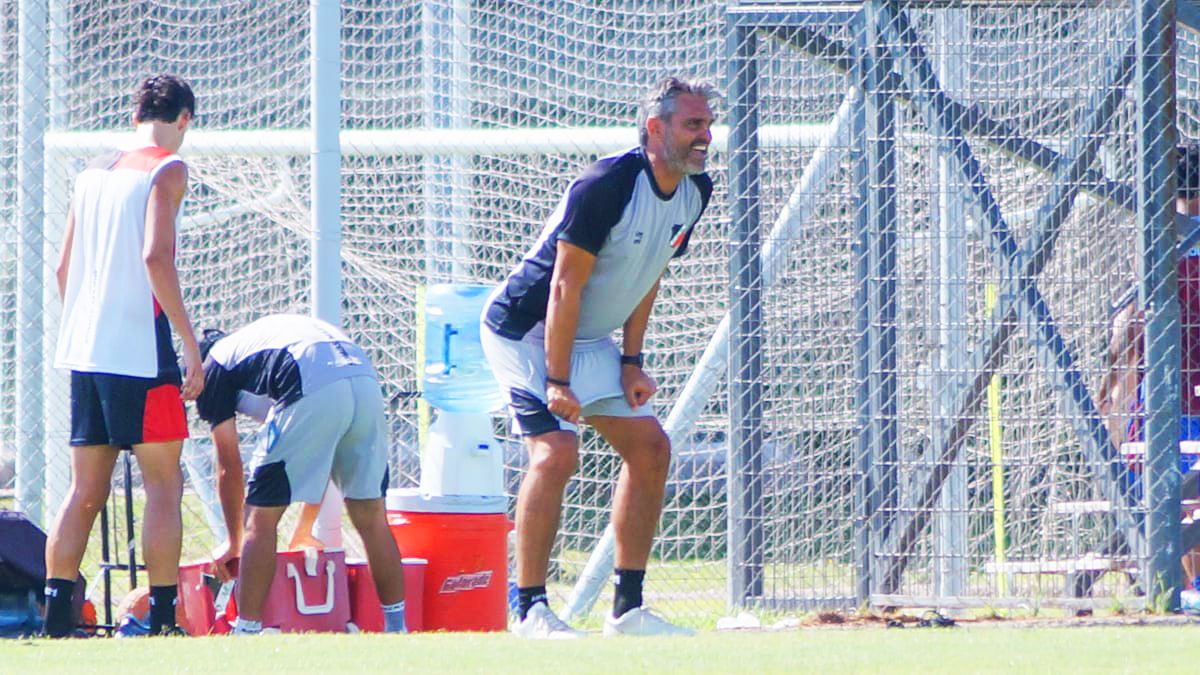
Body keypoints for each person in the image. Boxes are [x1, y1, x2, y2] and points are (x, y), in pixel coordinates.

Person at [480, 76, 716, 638]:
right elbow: (563, 287)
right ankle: (528, 610)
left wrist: (632, 361)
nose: (706, 137)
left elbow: (649, 272)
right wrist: (557, 380)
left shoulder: (696, 189)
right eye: (693, 125)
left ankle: (627, 612)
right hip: (527, 332)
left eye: (708, 125)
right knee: (557, 451)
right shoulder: (606, 184)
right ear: (655, 128)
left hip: (588, 338)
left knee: (651, 448)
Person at [46, 74, 203, 637]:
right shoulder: (168, 166)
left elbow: (64, 268)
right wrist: (188, 343)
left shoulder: (94, 170)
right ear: (183, 119)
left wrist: (94, 326)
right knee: (164, 483)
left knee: (85, 489)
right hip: (142, 352)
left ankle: (56, 619)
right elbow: (156, 257)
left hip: (87, 350)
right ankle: (163, 620)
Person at [194, 314, 408, 634]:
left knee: (260, 520)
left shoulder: (212, 368)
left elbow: (228, 466)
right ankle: (397, 629)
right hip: (363, 378)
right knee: (372, 517)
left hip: (311, 377)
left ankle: (247, 631)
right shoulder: (258, 352)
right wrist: (305, 526)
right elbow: (317, 453)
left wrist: (235, 541)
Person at [1099, 141, 1200, 588]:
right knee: (1179, 508)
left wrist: (1113, 414)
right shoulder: (1164, 260)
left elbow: (1123, 347)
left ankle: (1162, 584)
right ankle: (1173, 586)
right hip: (1175, 414)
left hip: (1159, 413)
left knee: (1169, 506)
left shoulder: (1156, 257)